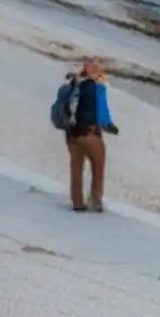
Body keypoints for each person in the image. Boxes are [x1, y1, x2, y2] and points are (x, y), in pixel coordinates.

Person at [63, 60, 119, 212]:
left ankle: (77, 202)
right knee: (98, 165)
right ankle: (95, 200)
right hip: (91, 133)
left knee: (76, 168)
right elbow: (102, 115)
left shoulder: (74, 84)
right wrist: (111, 127)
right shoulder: (98, 88)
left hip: (73, 135)